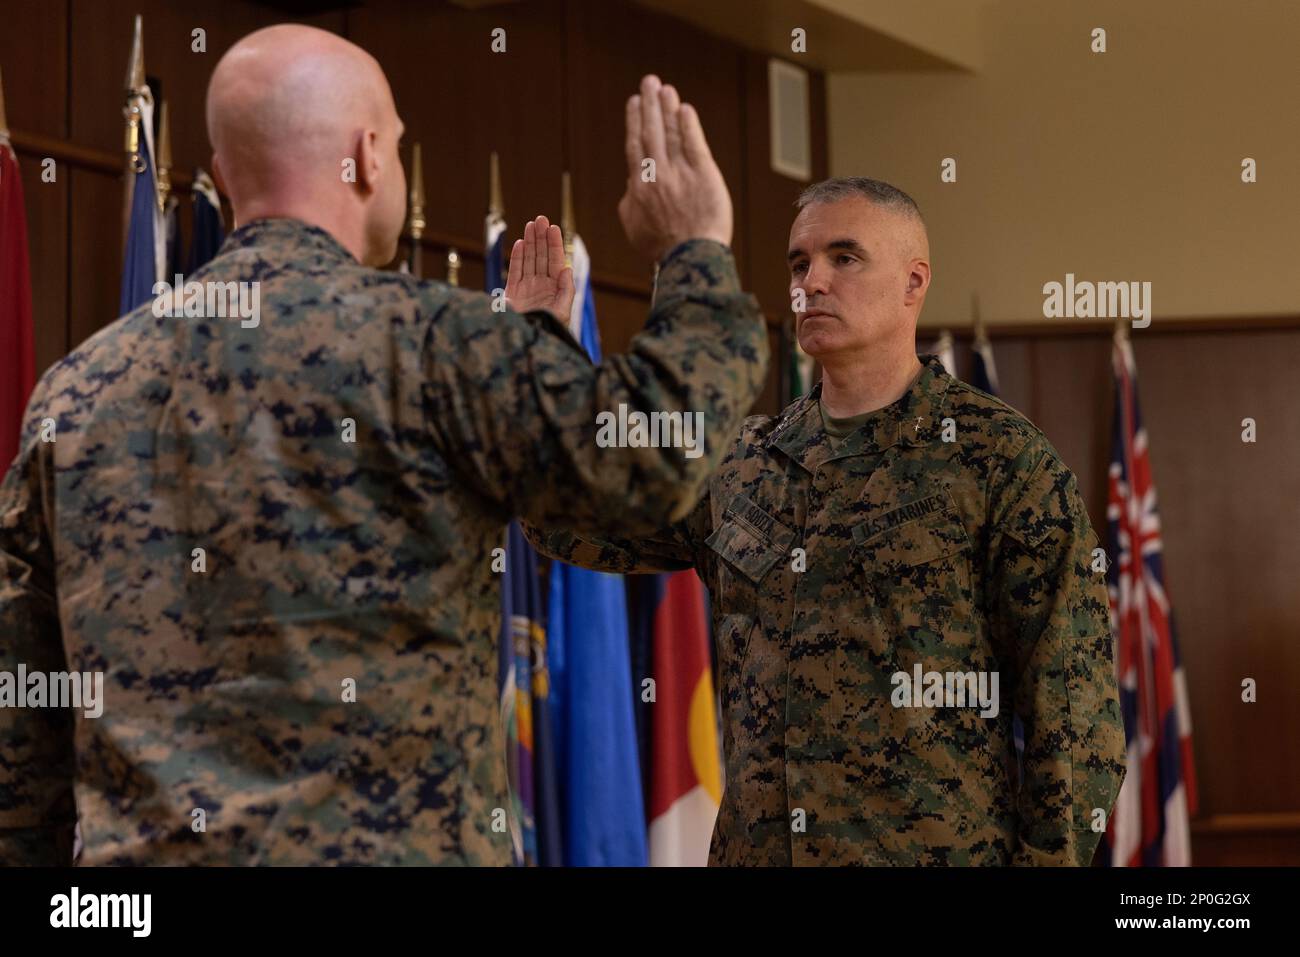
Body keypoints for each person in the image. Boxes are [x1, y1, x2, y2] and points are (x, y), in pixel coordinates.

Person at [0, 25, 767, 865]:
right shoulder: (439, 346)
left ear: (222, 176)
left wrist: (531, 369)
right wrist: (694, 251)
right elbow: (658, 462)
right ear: (367, 157)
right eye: (396, 146)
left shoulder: (72, 393)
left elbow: (22, 731)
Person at [521, 177, 1127, 866]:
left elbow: (1073, 718)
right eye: (799, 263)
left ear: (913, 283)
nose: (813, 281)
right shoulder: (741, 461)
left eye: (845, 258)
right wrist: (537, 353)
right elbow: (573, 515)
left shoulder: (1001, 462)